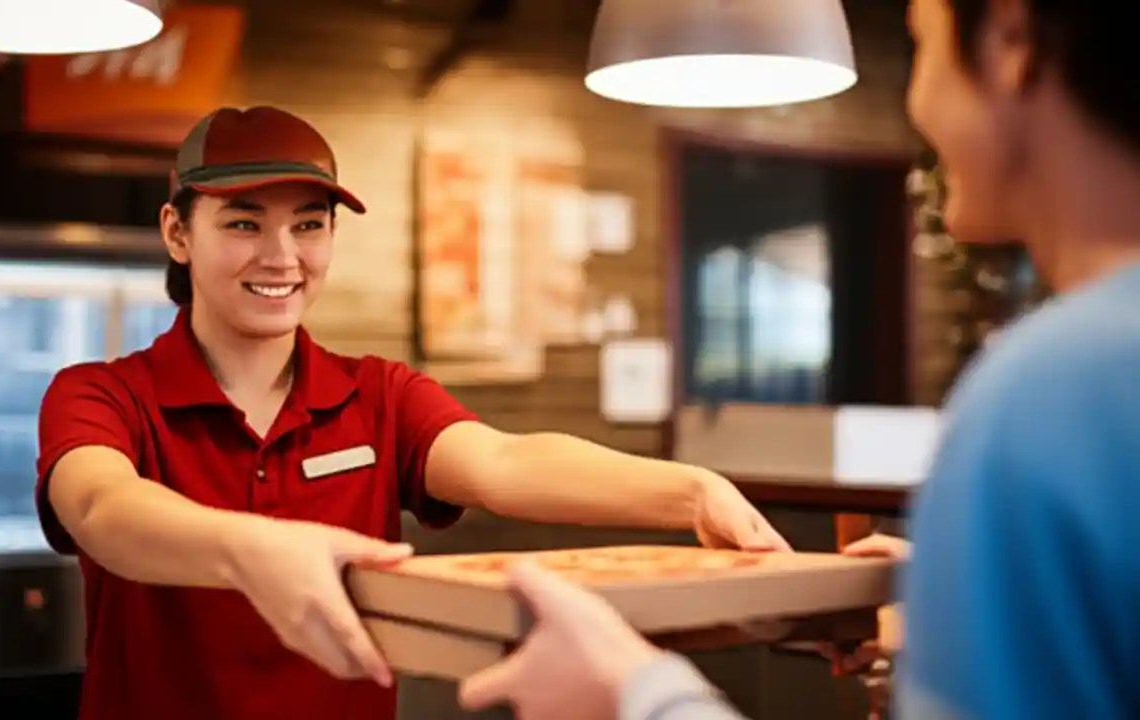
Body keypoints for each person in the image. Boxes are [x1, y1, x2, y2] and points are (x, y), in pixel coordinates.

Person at [457, 0, 1140, 718]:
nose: (917, 103)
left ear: (1008, 41)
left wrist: (636, 694)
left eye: (921, 47)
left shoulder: (1052, 390)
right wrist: (965, 595)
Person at [34, 105, 790, 720]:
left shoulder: (377, 396)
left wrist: (692, 490)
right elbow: (103, 507)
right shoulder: (101, 394)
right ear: (177, 233)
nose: (282, 256)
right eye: (242, 223)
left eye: (309, 223)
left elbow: (502, 463)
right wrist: (252, 550)